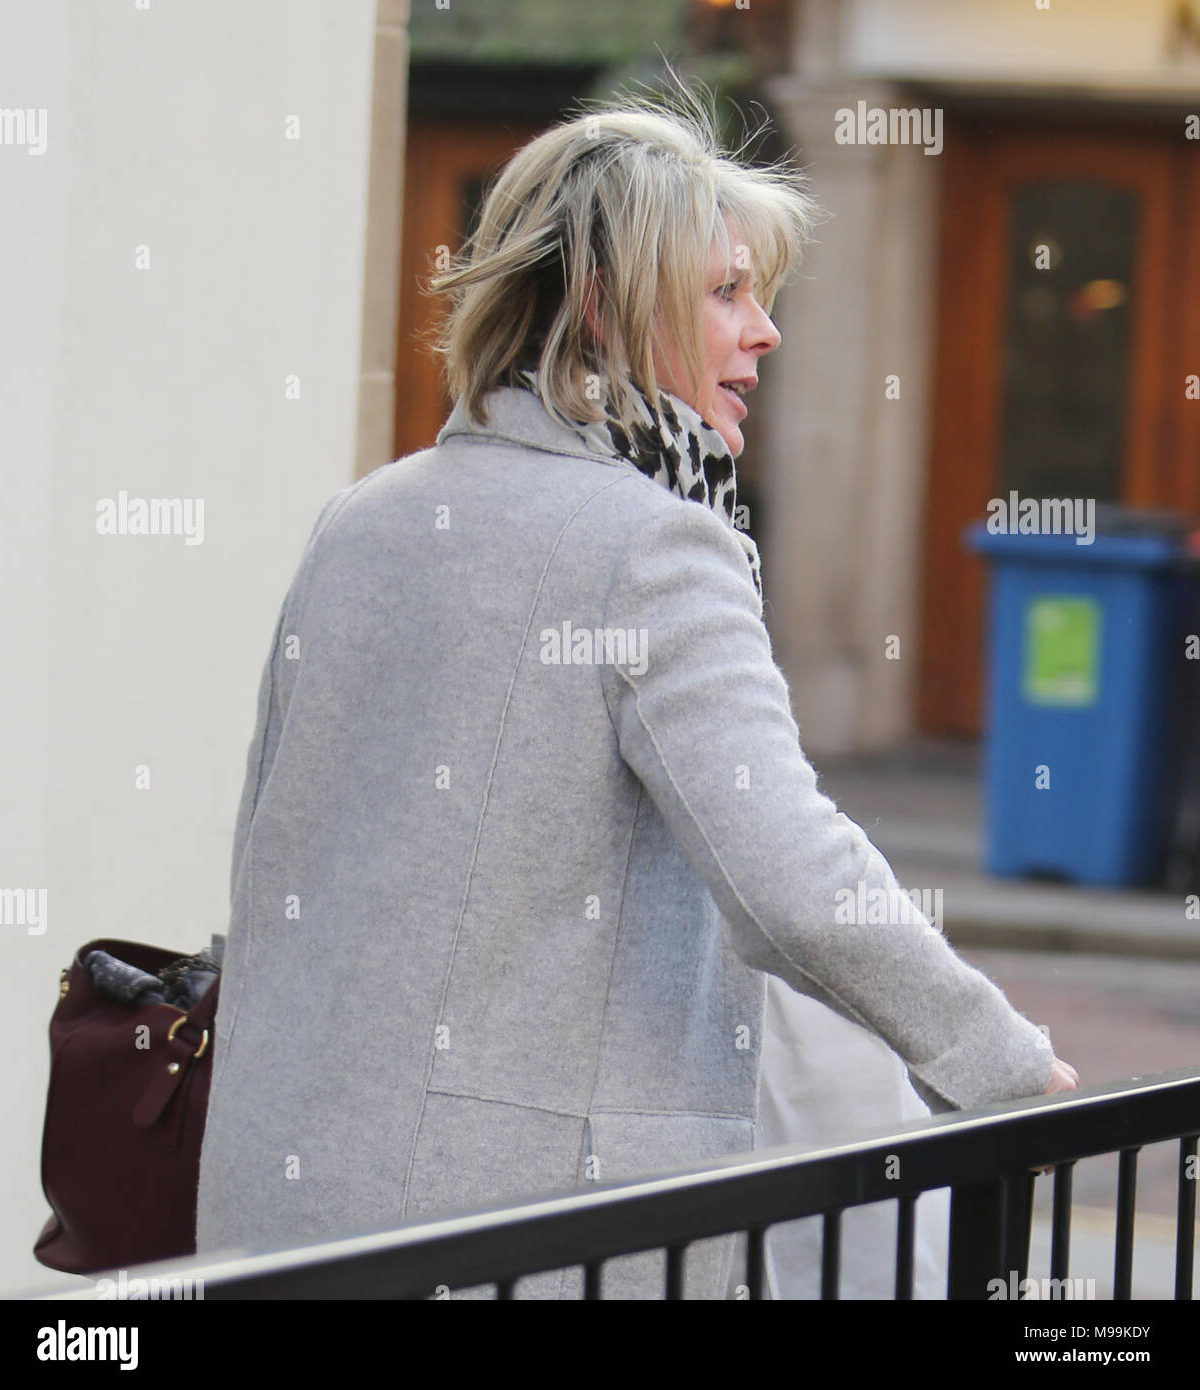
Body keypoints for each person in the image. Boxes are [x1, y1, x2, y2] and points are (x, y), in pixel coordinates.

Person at [195, 75, 1079, 1300]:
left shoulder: (362, 519)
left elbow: (265, 852)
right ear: (607, 303)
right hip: (521, 1235)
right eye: (724, 293)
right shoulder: (652, 544)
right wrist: (1005, 1064)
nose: (765, 329)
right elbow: (796, 884)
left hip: (282, 1212)